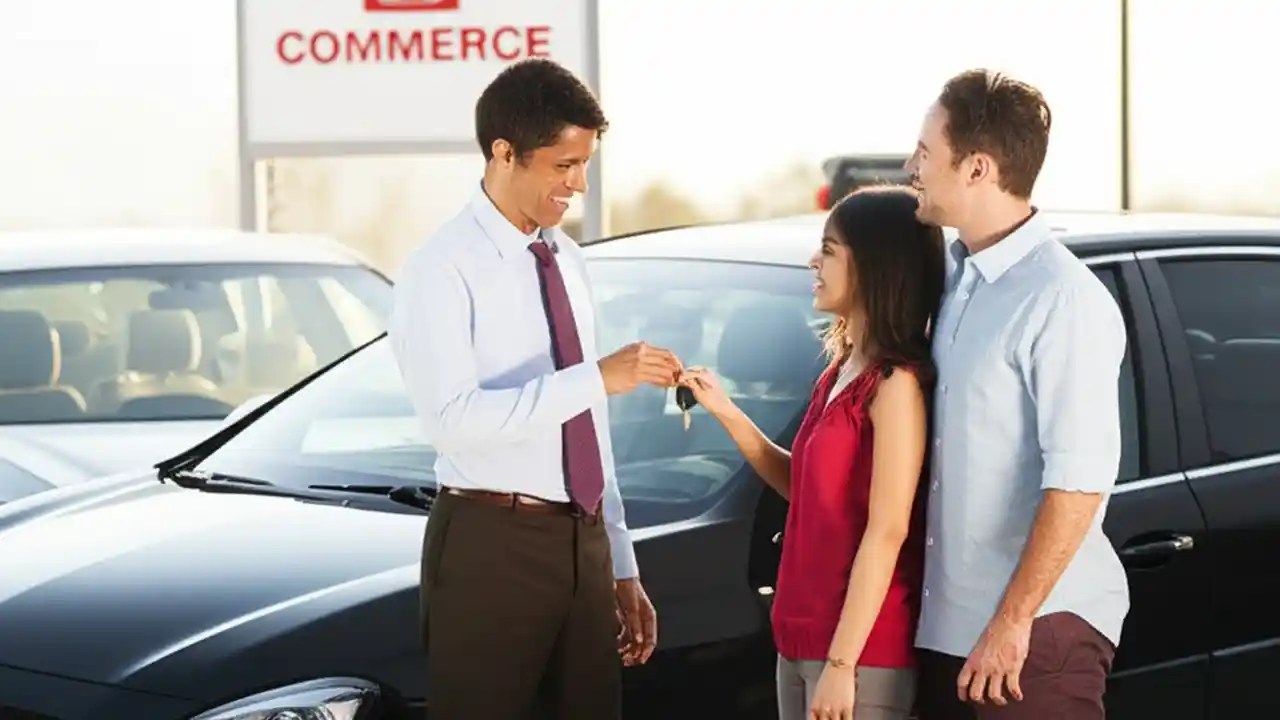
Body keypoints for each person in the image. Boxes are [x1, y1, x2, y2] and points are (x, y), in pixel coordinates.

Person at [387, 58, 683, 719]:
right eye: (562, 165)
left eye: (584, 165)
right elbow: (452, 421)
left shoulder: (567, 260)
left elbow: (589, 430)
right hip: (491, 546)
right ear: (503, 153)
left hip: (583, 544)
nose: (578, 184)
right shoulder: (441, 270)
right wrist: (596, 377)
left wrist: (621, 560)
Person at [904, 69, 1129, 720]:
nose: (909, 165)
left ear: (976, 168)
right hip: (951, 630)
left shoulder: (1062, 298)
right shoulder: (961, 277)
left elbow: (1080, 482)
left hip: (1035, 634)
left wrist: (1013, 621)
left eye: (924, 151)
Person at [678, 185, 944, 720]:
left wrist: (843, 666)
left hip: (859, 654)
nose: (813, 262)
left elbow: (887, 530)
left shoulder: (896, 386)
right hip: (799, 637)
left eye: (829, 250)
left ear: (873, 265)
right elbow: (805, 488)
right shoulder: (838, 372)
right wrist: (727, 411)